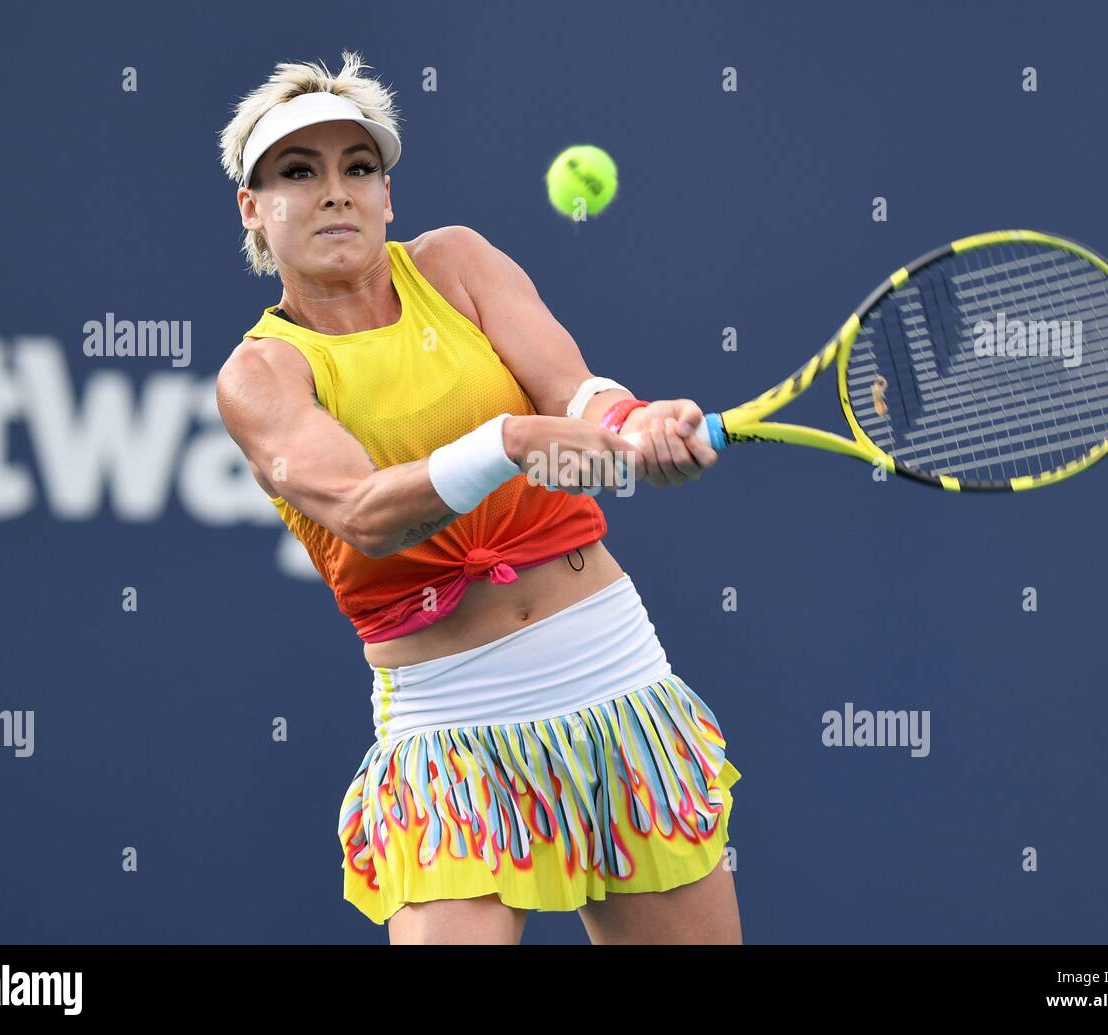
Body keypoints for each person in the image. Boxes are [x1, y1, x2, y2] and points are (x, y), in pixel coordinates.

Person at [215, 51, 742, 944]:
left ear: (387, 196)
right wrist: (505, 444)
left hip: (616, 687)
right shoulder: (260, 373)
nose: (334, 191)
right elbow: (364, 514)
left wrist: (638, 430)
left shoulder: (457, 263)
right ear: (255, 210)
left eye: (359, 168)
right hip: (448, 734)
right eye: (298, 172)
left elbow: (574, 395)